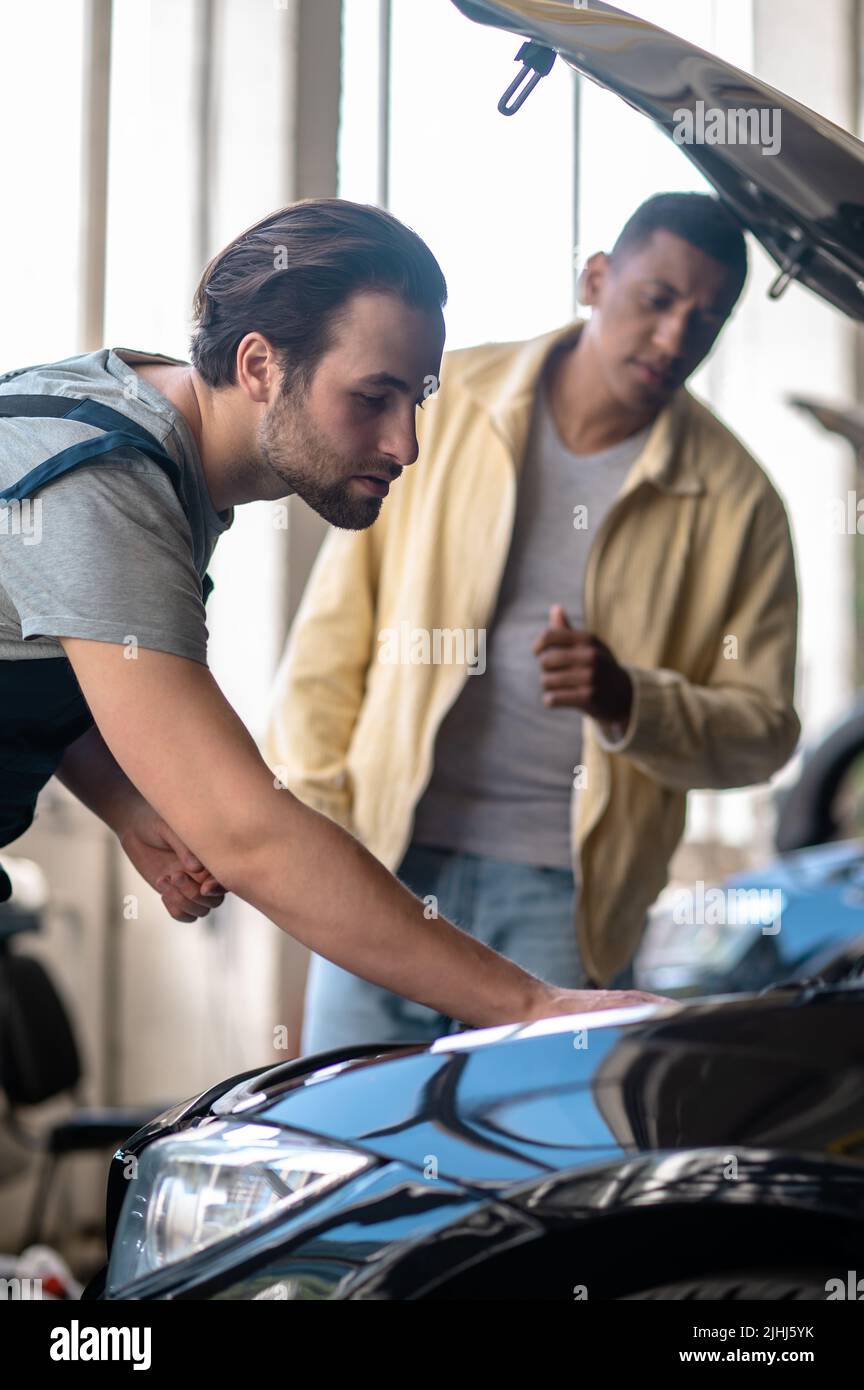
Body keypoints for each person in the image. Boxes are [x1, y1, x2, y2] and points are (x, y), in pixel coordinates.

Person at [0, 198, 662, 1038]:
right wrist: (536, 1005)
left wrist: (131, 805)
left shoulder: (125, 413)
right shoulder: (105, 480)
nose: (406, 444)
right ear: (259, 365)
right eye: (373, 396)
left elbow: (43, 645)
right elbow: (249, 831)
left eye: (417, 397)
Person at [265, 193, 800, 1053]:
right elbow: (334, 639)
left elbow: (765, 734)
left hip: (566, 894)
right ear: (596, 279)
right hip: (382, 862)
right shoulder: (442, 405)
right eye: (656, 300)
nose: (673, 340)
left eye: (704, 321)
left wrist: (634, 701)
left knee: (526, 1168)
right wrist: (319, 834)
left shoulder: (739, 502)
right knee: (345, 1145)